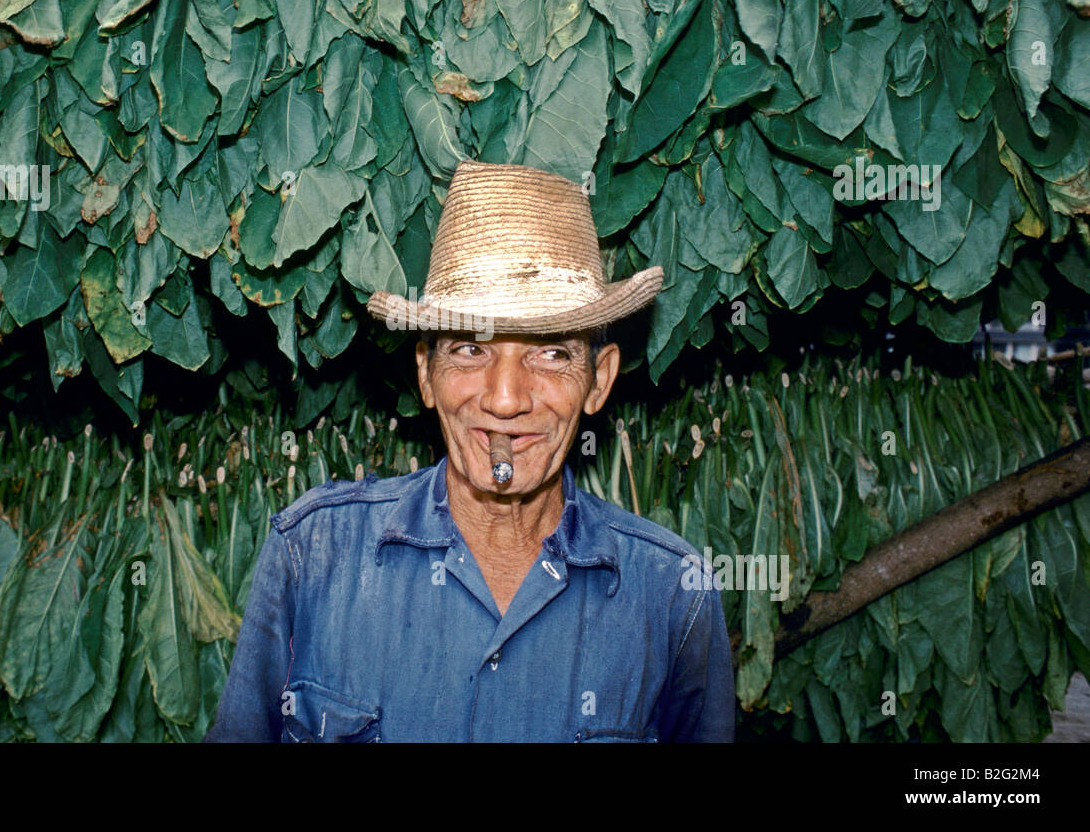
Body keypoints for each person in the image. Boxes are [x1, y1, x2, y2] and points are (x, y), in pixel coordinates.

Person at [204, 160, 734, 742]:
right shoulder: (312, 555)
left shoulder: (672, 596)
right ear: (426, 376)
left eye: (551, 353)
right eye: (468, 350)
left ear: (599, 381)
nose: (506, 399)